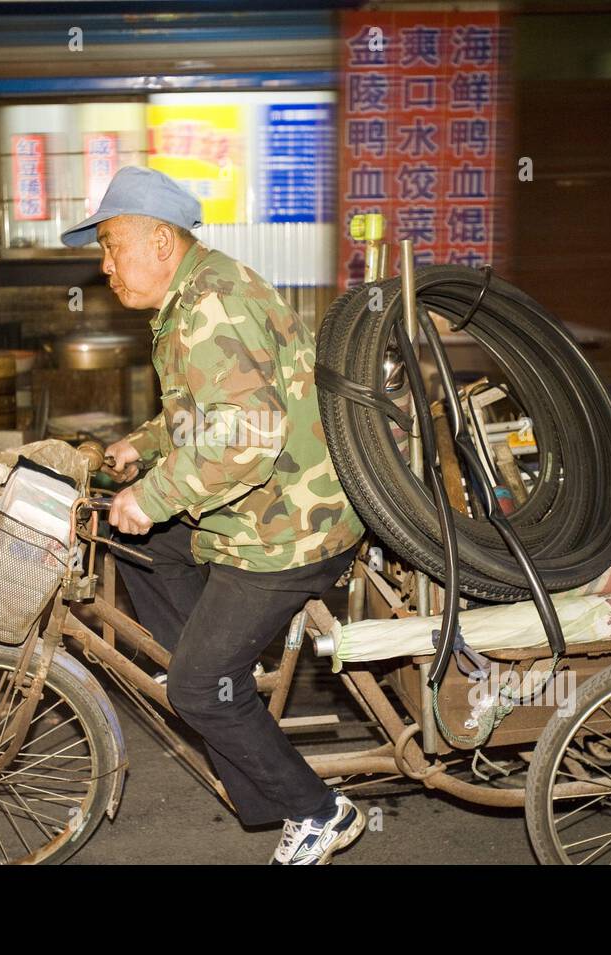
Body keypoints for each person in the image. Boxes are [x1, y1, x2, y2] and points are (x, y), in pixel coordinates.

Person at [61, 166, 367, 865]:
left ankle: (320, 810)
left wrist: (157, 495)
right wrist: (135, 451)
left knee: (198, 682)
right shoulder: (188, 298)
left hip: (291, 525)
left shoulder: (211, 307)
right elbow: (196, 421)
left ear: (162, 242)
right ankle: (217, 678)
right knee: (137, 543)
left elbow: (248, 438)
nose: (105, 267)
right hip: (261, 507)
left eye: (112, 246)